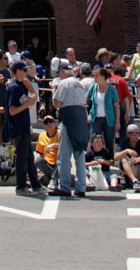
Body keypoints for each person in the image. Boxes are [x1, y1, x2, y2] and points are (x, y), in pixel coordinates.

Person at [52, 62, 89, 198]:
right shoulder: (80, 84)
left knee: (64, 156)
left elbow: (57, 103)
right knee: (79, 155)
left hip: (68, 119)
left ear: (62, 72)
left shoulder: (64, 83)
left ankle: (65, 187)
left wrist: (53, 90)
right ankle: (81, 187)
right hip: (81, 119)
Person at [7, 61, 41, 195]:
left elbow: (33, 95)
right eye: (24, 70)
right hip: (18, 126)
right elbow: (12, 111)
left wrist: (28, 87)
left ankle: (36, 185)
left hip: (25, 125)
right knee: (21, 158)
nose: (26, 72)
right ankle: (20, 187)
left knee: (29, 157)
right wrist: (27, 104)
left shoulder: (22, 84)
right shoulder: (14, 87)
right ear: (18, 71)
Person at [87, 66, 121, 154]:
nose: (95, 78)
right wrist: (87, 114)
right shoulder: (93, 88)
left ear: (102, 77)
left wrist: (117, 121)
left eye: (96, 76)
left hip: (108, 119)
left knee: (109, 140)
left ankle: (109, 159)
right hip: (96, 118)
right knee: (94, 139)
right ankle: (94, 159)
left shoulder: (112, 89)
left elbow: (116, 106)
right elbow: (85, 101)